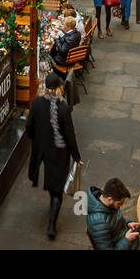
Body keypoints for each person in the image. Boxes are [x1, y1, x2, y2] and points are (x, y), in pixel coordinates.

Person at [26, 71, 81, 240]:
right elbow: (70, 134)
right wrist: (76, 156)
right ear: (58, 88)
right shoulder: (63, 107)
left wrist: (37, 140)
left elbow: (29, 127)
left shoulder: (36, 103)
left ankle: (52, 207)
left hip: (42, 149)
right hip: (59, 152)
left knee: (52, 187)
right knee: (57, 189)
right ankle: (51, 225)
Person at [85, 177, 140, 250]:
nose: (121, 206)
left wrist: (128, 224)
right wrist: (127, 240)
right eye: (119, 204)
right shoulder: (99, 223)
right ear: (109, 199)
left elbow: (115, 222)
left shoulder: (108, 205)